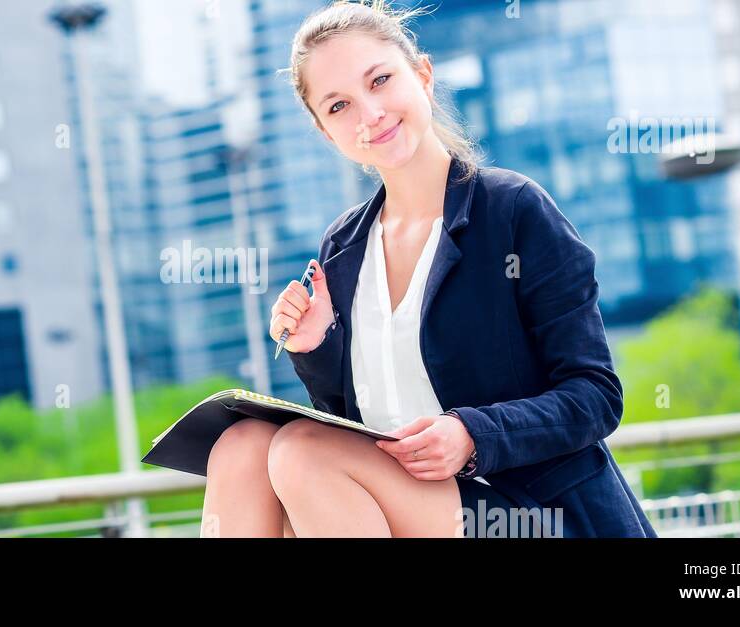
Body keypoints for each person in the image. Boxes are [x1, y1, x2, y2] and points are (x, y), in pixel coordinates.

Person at [199, 0, 656, 538]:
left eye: (380, 80)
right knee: (242, 446)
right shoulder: (343, 248)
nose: (369, 114)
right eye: (339, 106)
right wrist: (317, 347)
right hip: (413, 505)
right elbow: (351, 425)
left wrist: (473, 434)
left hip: (532, 512)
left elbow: (595, 395)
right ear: (327, 133)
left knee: (301, 452)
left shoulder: (512, 210)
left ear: (422, 74)